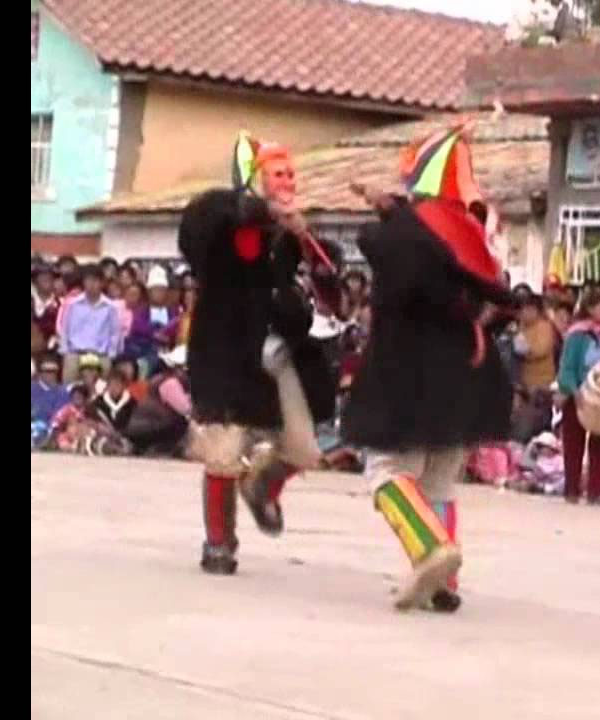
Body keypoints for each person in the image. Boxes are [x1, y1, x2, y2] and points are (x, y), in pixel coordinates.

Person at [342, 121, 514, 613]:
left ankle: (429, 549)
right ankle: (445, 585)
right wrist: (397, 209)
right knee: (439, 481)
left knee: (388, 469)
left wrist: (389, 212)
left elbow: (380, 242)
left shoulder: (405, 235)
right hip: (466, 370)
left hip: (409, 371)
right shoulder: (475, 229)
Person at [178, 134, 343, 575]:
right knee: (223, 449)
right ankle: (219, 543)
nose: (288, 181)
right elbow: (200, 227)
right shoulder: (217, 214)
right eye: (277, 174)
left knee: (305, 449)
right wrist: (265, 212)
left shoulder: (293, 232)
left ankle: (262, 486)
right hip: (224, 350)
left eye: (291, 173)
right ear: (255, 179)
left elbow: (333, 291)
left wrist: (311, 247)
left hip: (279, 351)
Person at [555, 289, 600, 504]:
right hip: (579, 392)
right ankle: (572, 488)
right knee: (573, 443)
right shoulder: (576, 334)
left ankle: (598, 490)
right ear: (590, 308)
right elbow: (567, 366)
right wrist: (574, 391)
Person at [60, 266, 120, 383]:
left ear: (102, 283)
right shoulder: (73, 304)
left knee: (104, 379)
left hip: (100, 353)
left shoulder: (110, 307)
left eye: (95, 281)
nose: (91, 285)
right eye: (88, 280)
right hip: (75, 352)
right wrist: (65, 351)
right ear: (83, 282)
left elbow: (115, 332)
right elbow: (65, 329)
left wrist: (111, 354)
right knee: (68, 382)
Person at [514, 294, 558, 391]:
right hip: (525, 380)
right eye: (522, 310)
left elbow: (540, 350)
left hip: (542, 381)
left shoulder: (544, 326)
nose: (522, 313)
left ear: (535, 310)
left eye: (526, 310)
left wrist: (525, 351)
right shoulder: (522, 327)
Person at [31, 354, 71, 426]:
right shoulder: (32, 388)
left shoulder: (64, 391)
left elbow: (64, 414)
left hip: (55, 430)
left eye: (53, 371)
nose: (51, 374)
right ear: (40, 372)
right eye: (47, 371)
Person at [31, 265, 61, 352]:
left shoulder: (61, 304)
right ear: (34, 282)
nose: (46, 279)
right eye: (42, 277)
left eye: (50, 277)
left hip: (54, 350)